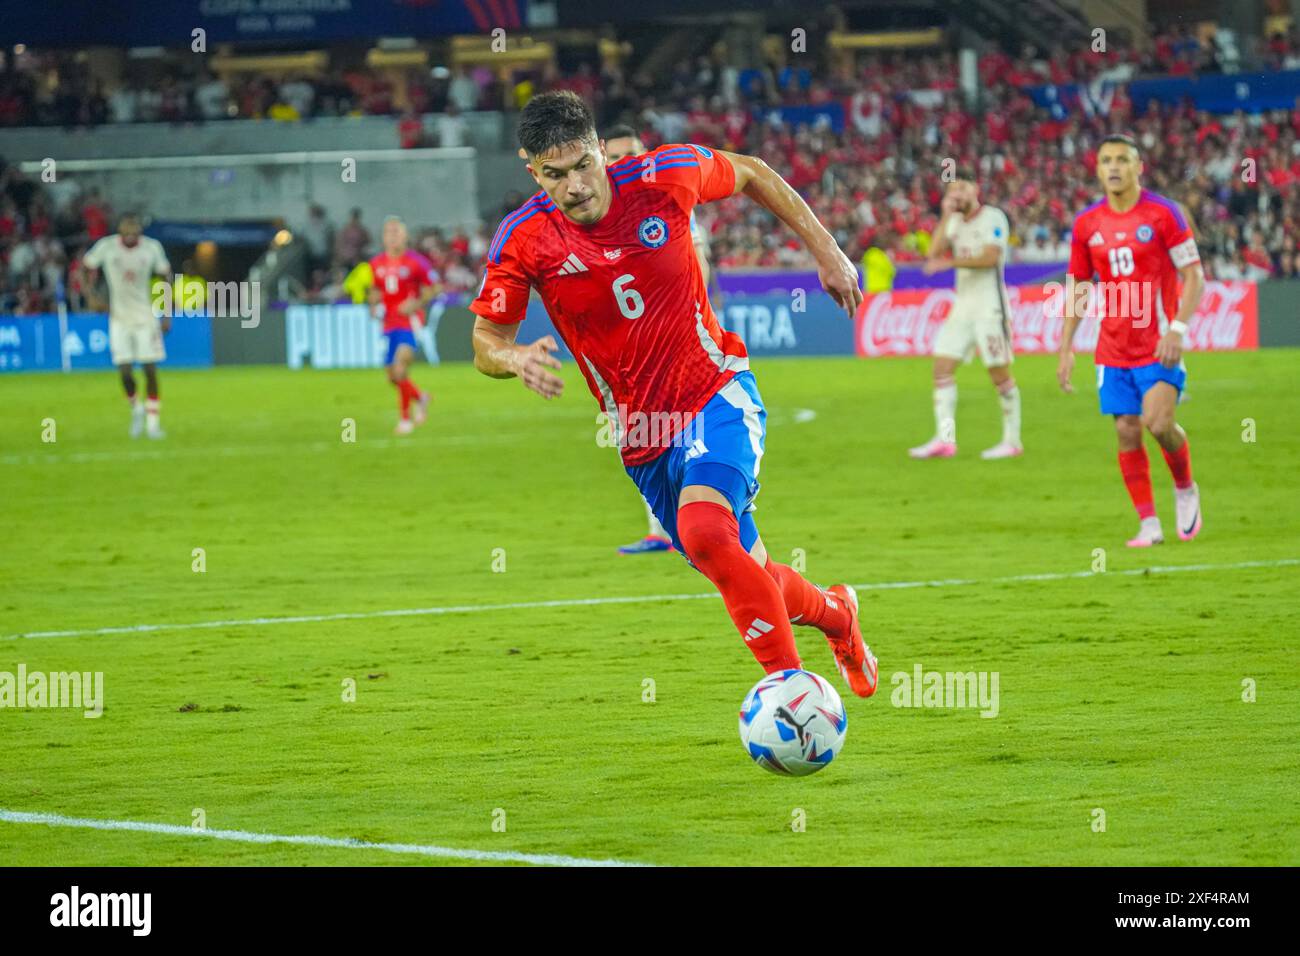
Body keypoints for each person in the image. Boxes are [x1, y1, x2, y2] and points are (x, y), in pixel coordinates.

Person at [470, 91, 878, 697]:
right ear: (533, 170)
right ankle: (837, 615)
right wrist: (515, 358)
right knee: (751, 570)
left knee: (706, 531)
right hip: (641, 435)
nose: (576, 185)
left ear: (599, 149)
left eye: (583, 164)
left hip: (716, 390)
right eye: (555, 174)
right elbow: (484, 341)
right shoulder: (525, 237)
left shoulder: (664, 175)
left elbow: (753, 173)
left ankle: (791, 695)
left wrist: (827, 252)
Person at [1058, 134, 1205, 546]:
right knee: (1126, 429)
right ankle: (1149, 524)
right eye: (1107, 160)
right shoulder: (1087, 224)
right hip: (1112, 347)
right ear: (1098, 169)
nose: (1115, 167)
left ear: (1140, 166)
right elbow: (1079, 286)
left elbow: (1194, 275)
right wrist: (1067, 345)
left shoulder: (1164, 214)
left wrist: (1178, 329)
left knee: (1159, 424)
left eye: (1123, 159)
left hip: (1159, 342)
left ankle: (1184, 486)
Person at [602, 123, 715, 555]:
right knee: (635, 434)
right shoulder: (591, 219)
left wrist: (681, 313)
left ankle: (706, 515)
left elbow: (698, 263)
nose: (623, 164)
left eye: (631, 154)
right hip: (623, 353)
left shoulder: (666, 202)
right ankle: (663, 528)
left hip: (674, 341)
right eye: (614, 158)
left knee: (690, 429)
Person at [910, 171, 1023, 460]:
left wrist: (951, 263)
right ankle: (945, 441)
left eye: (961, 187)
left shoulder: (994, 218)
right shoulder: (955, 222)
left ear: (975, 188)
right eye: (952, 189)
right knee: (942, 369)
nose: (956, 194)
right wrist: (946, 215)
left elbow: (990, 258)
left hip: (990, 308)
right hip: (963, 307)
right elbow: (933, 252)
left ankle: (1012, 441)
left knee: (999, 374)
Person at [82, 214, 172, 439]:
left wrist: (167, 314)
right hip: (119, 319)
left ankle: (153, 424)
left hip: (145, 318)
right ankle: (136, 409)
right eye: (128, 234)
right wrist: (89, 296)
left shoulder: (152, 248)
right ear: (120, 233)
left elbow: (165, 276)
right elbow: (83, 268)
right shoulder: (107, 247)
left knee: (150, 370)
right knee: (124, 372)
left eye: (136, 234)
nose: (132, 238)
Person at [369, 217, 436, 435]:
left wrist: (416, 303)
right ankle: (421, 397)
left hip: (410, 322)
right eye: (389, 232)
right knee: (392, 376)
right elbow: (376, 289)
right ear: (383, 237)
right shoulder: (376, 264)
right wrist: (373, 304)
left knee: (399, 369)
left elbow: (434, 287)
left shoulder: (416, 262)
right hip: (389, 324)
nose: (393, 236)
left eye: (397, 232)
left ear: (405, 236)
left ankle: (405, 421)